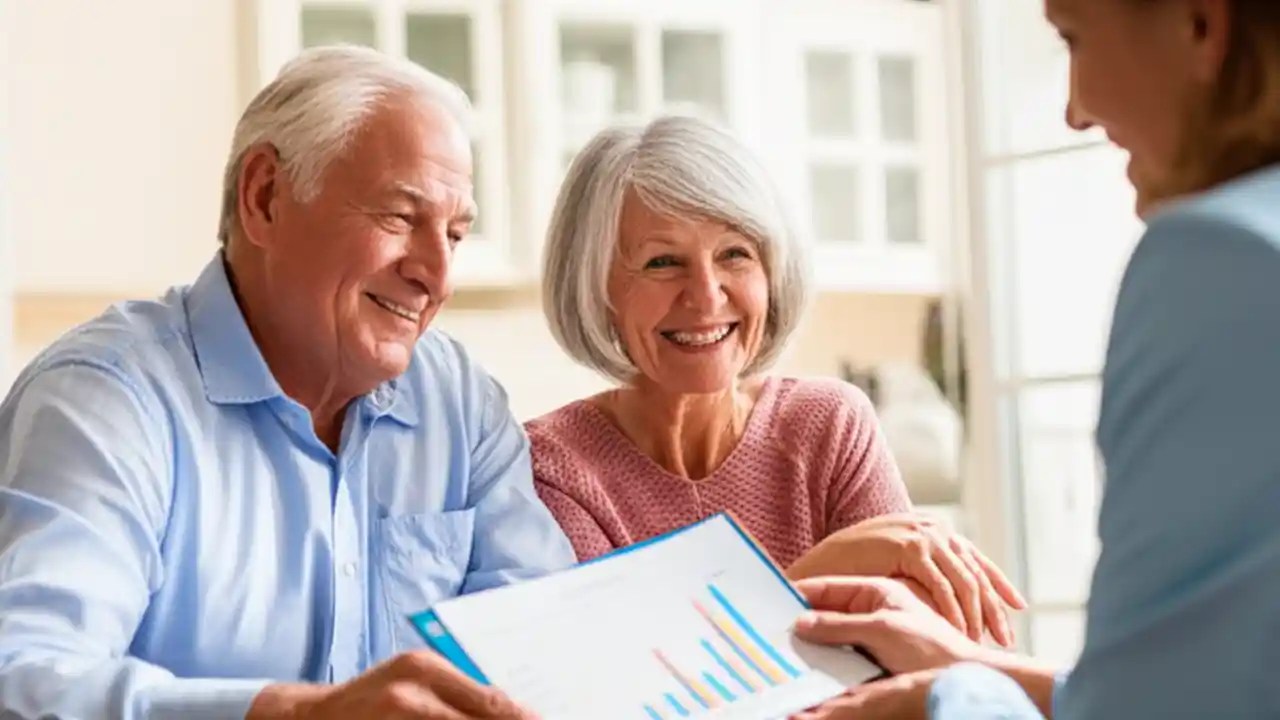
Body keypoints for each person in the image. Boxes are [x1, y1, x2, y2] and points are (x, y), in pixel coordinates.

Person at [0, 45, 573, 719]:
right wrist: (295, 715)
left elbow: (544, 644)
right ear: (265, 197)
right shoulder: (104, 400)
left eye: (452, 235)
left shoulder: (461, 404)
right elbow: (26, 681)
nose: (436, 276)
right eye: (399, 217)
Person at [786, 0, 1280, 717]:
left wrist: (951, 699)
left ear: (1201, 25)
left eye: (1072, 40)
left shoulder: (1222, 262)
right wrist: (983, 668)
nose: (1075, 111)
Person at [526, 115, 1026, 647]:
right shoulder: (553, 467)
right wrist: (827, 569)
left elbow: (910, 658)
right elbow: (626, 678)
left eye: (734, 254)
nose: (707, 295)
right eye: (663, 262)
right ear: (596, 287)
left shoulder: (829, 425)